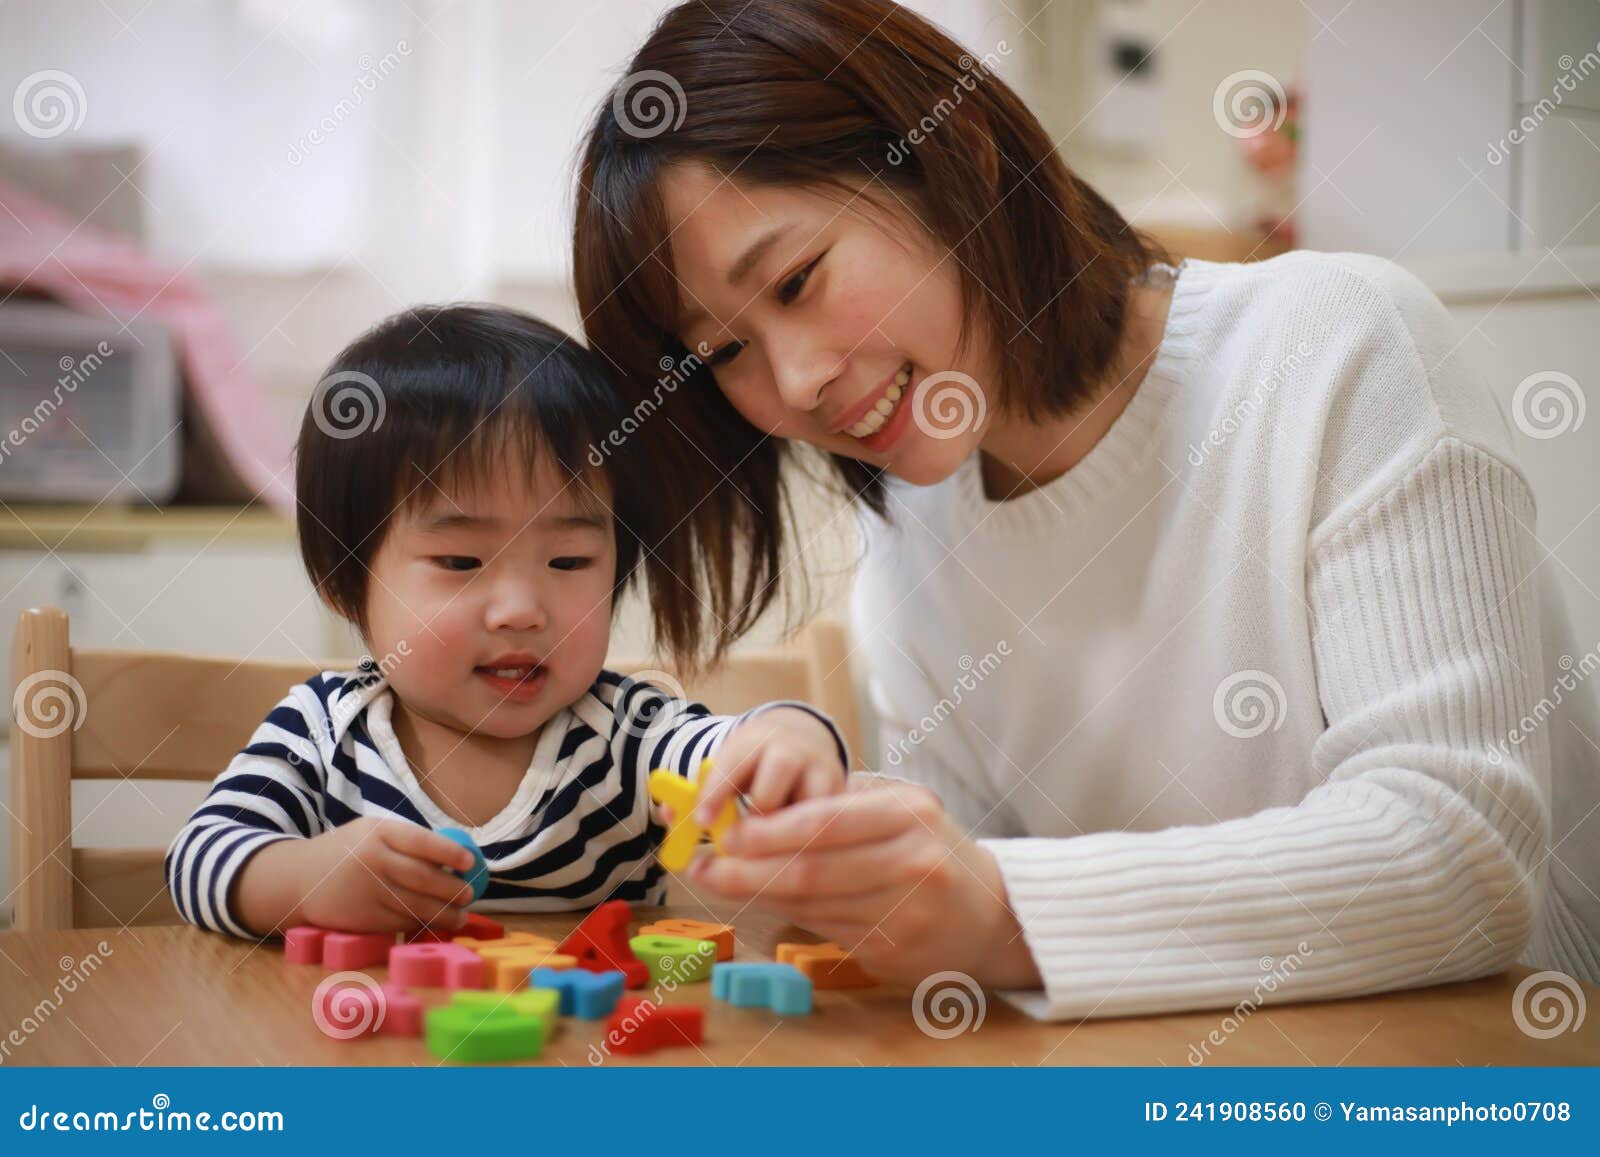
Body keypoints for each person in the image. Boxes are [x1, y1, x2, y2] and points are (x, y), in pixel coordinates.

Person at [570, 0, 1600, 1018]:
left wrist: (999, 908)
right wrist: (865, 865)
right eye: (721, 354)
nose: (793, 383)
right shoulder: (910, 542)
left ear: (954, 152)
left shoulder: (1333, 346)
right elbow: (976, 933)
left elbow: (1462, 855)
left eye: (796, 279)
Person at [164, 304, 849, 940]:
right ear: (346, 581)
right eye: (461, 559)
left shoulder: (627, 736)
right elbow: (198, 858)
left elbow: (730, 760)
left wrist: (791, 736)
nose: (521, 609)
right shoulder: (322, 732)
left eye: (571, 559)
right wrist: (302, 881)